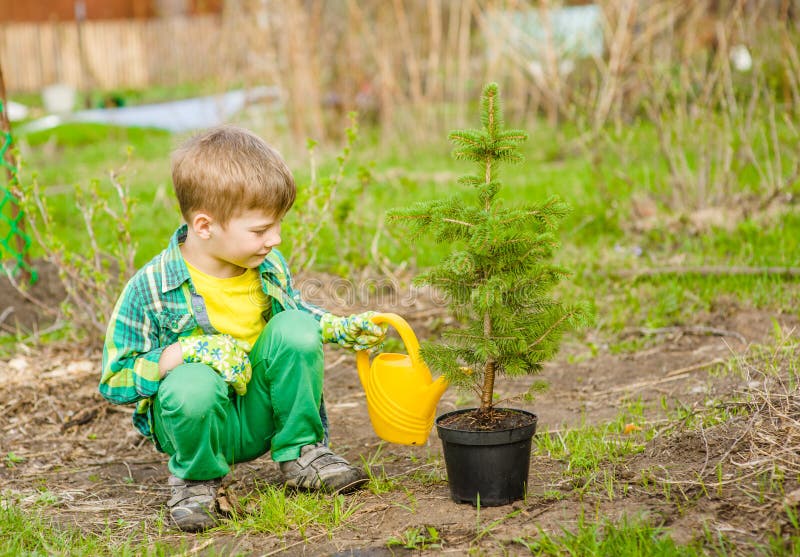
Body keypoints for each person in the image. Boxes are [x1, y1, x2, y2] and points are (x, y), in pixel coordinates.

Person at [99, 125, 386, 532]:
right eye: (260, 230)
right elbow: (114, 379)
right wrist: (184, 353)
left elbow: (294, 313)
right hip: (197, 420)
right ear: (204, 226)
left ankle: (302, 452)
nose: (276, 238)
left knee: (296, 327)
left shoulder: (266, 266)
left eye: (278, 225)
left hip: (258, 413)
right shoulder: (150, 287)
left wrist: (337, 327)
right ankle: (196, 482)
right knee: (192, 382)